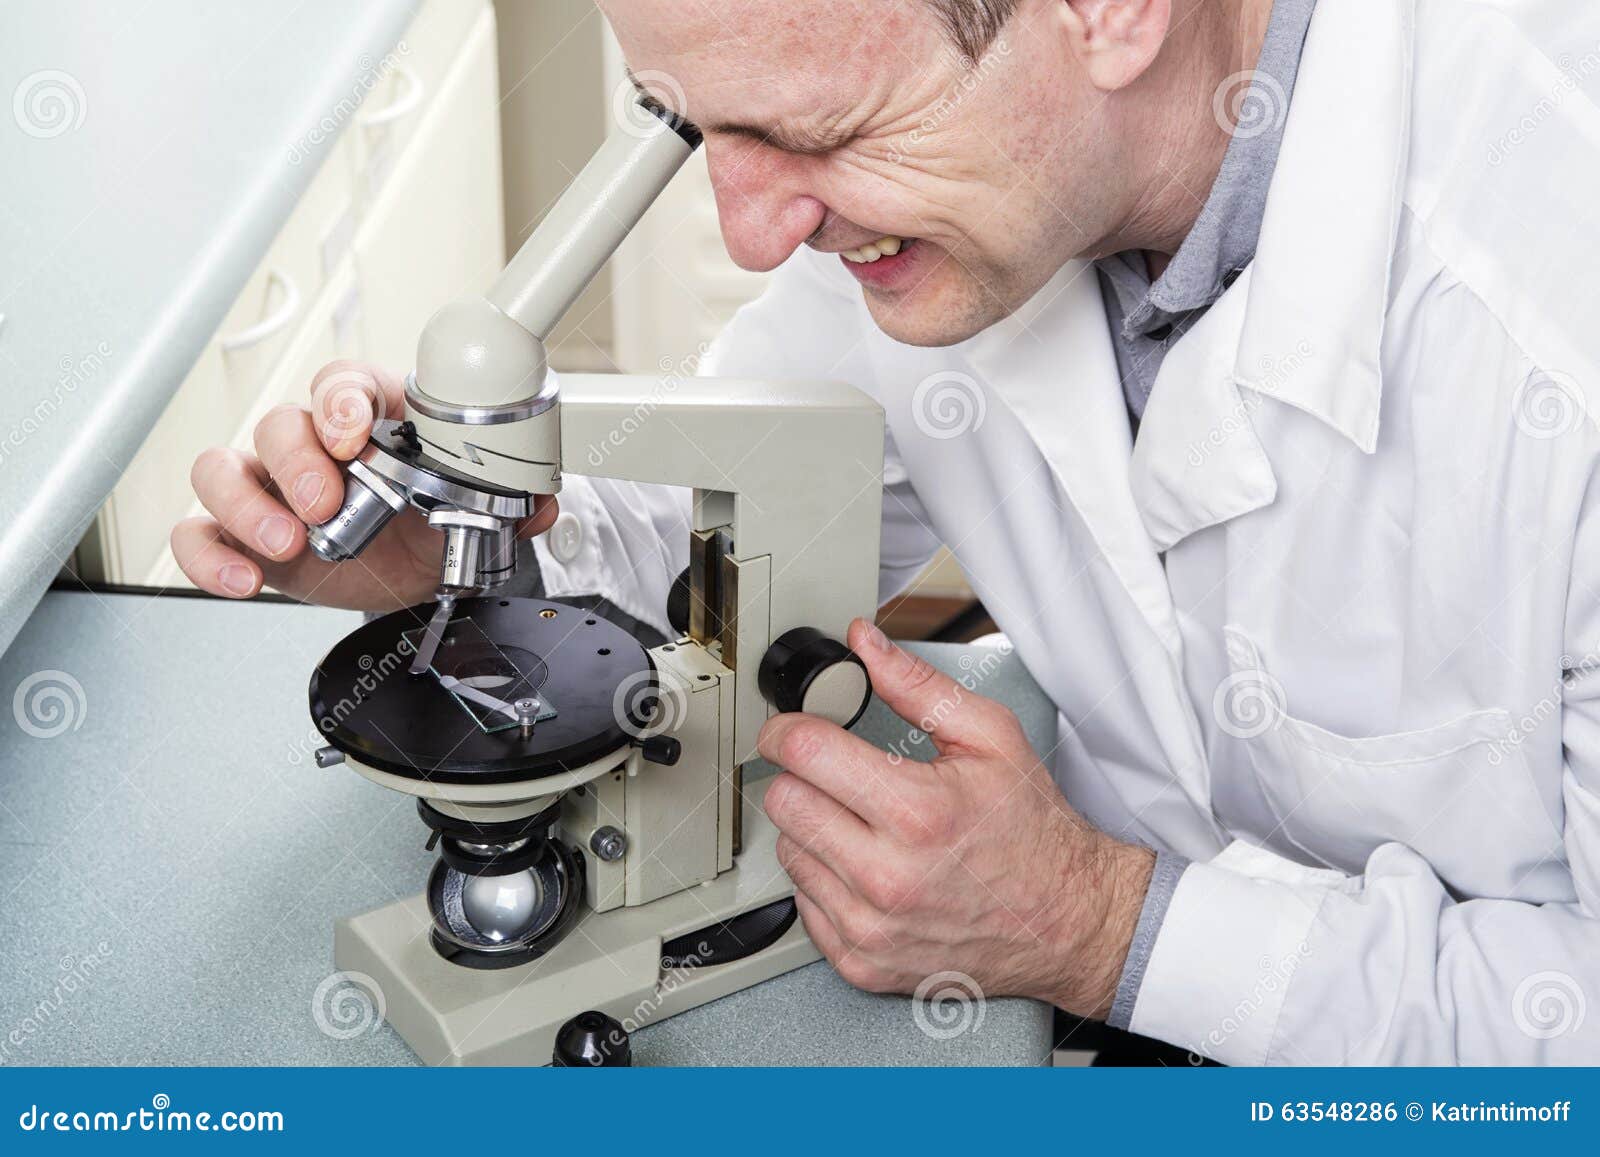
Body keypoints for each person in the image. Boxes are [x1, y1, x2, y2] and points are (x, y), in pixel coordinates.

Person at [172, 0, 1600, 1064]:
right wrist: (445, 567)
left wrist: (1104, 928)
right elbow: (712, 531)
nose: (747, 233)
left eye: (811, 131)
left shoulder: (1549, 317)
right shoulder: (982, 199)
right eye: (692, 125)